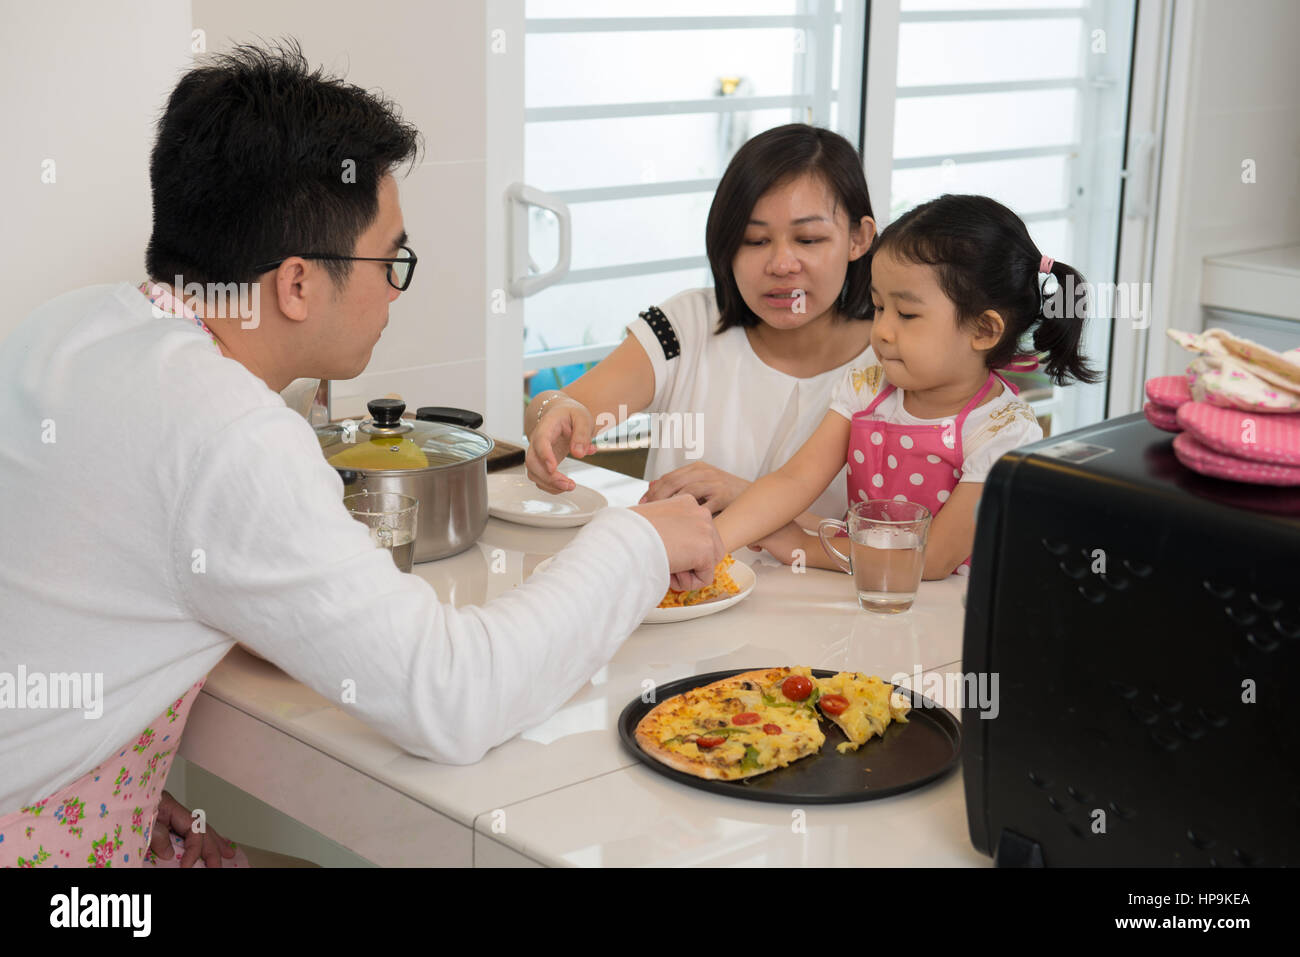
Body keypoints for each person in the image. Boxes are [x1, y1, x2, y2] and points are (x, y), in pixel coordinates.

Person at [0, 41, 722, 868]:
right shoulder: (228, 431)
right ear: (298, 284)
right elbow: (452, 698)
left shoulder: (71, 328)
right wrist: (639, 540)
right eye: (391, 261)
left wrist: (117, 786)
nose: (393, 289)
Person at [714, 193, 1105, 579]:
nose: (881, 330)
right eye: (879, 306)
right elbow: (794, 480)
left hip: (954, 617)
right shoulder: (866, 388)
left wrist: (806, 548)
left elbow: (931, 560)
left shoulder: (1002, 430)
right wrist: (710, 545)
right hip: (873, 593)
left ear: (983, 330)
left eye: (907, 314)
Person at [525, 124, 877, 528]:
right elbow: (558, 410)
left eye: (809, 239)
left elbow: (907, 542)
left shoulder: (896, 363)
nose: (781, 264)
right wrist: (555, 413)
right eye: (755, 241)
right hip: (675, 588)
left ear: (858, 238)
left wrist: (749, 500)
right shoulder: (684, 328)